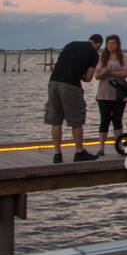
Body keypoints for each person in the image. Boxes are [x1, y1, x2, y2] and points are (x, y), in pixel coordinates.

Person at [44, 34, 103, 162]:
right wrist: (80, 75)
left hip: (53, 82)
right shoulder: (93, 53)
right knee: (76, 121)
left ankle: (57, 154)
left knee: (56, 120)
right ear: (98, 44)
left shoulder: (71, 44)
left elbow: (57, 65)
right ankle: (79, 151)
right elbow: (88, 78)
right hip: (71, 85)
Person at [94, 34, 127, 155]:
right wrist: (105, 72)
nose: (110, 46)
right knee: (104, 120)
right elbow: (97, 75)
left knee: (117, 119)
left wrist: (112, 73)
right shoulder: (102, 58)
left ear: (118, 44)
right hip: (104, 93)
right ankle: (101, 147)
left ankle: (119, 145)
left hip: (119, 93)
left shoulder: (124, 58)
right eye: (109, 44)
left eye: (113, 43)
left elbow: (125, 73)